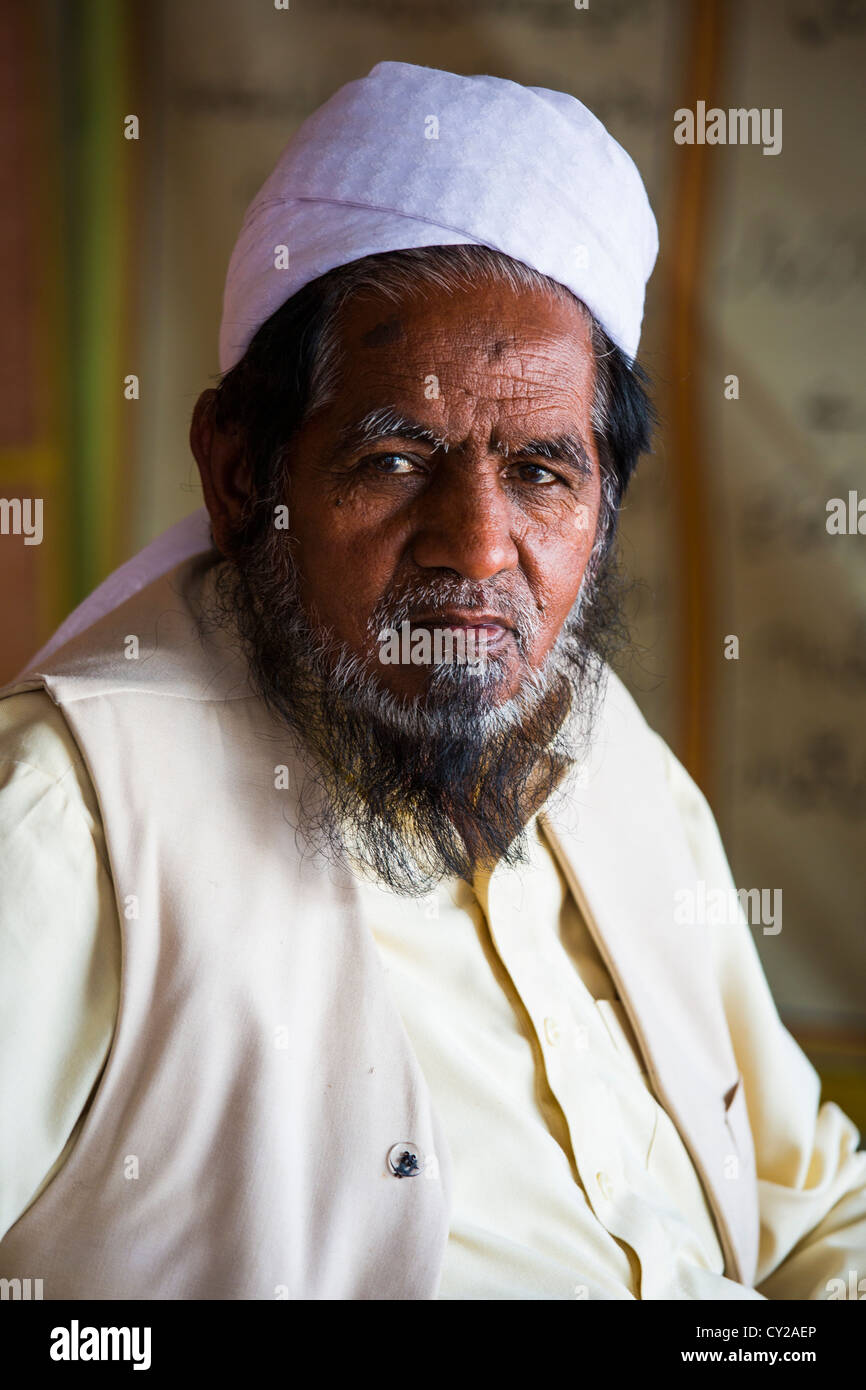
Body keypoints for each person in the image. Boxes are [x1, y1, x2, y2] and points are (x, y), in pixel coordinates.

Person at [1, 61, 863, 1301]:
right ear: (244, 475)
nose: (475, 546)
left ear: (603, 511)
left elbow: (810, 1207)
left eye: (541, 473)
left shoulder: (606, 755)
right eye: (396, 456)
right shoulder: (64, 823)